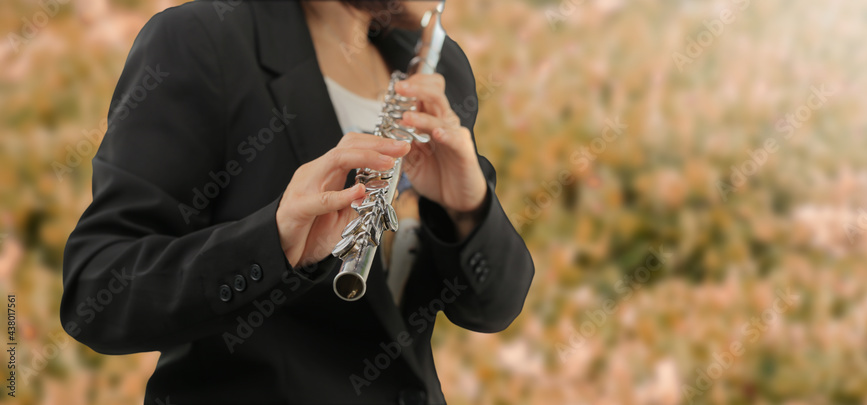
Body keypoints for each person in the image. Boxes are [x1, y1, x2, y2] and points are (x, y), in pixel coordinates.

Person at [59, 1, 534, 404]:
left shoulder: (440, 67)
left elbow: (493, 308)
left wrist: (469, 210)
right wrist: (274, 242)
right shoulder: (203, 39)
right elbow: (96, 293)